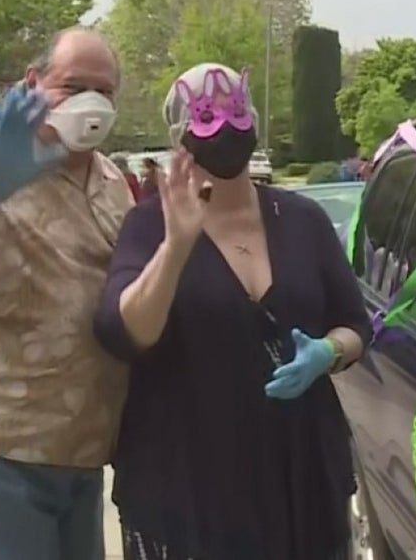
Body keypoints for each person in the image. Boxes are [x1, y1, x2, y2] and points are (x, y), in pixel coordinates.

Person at [94, 63, 373, 560]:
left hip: (300, 482)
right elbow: (124, 333)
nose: (225, 131)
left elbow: (355, 325)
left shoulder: (302, 220)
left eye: (235, 114)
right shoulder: (148, 225)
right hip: (191, 493)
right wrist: (177, 247)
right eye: (207, 118)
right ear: (182, 137)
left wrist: (328, 352)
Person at [0, 27, 133, 560]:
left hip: (79, 447)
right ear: (33, 84)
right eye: (73, 85)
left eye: (104, 92)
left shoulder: (112, 181)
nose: (90, 103)